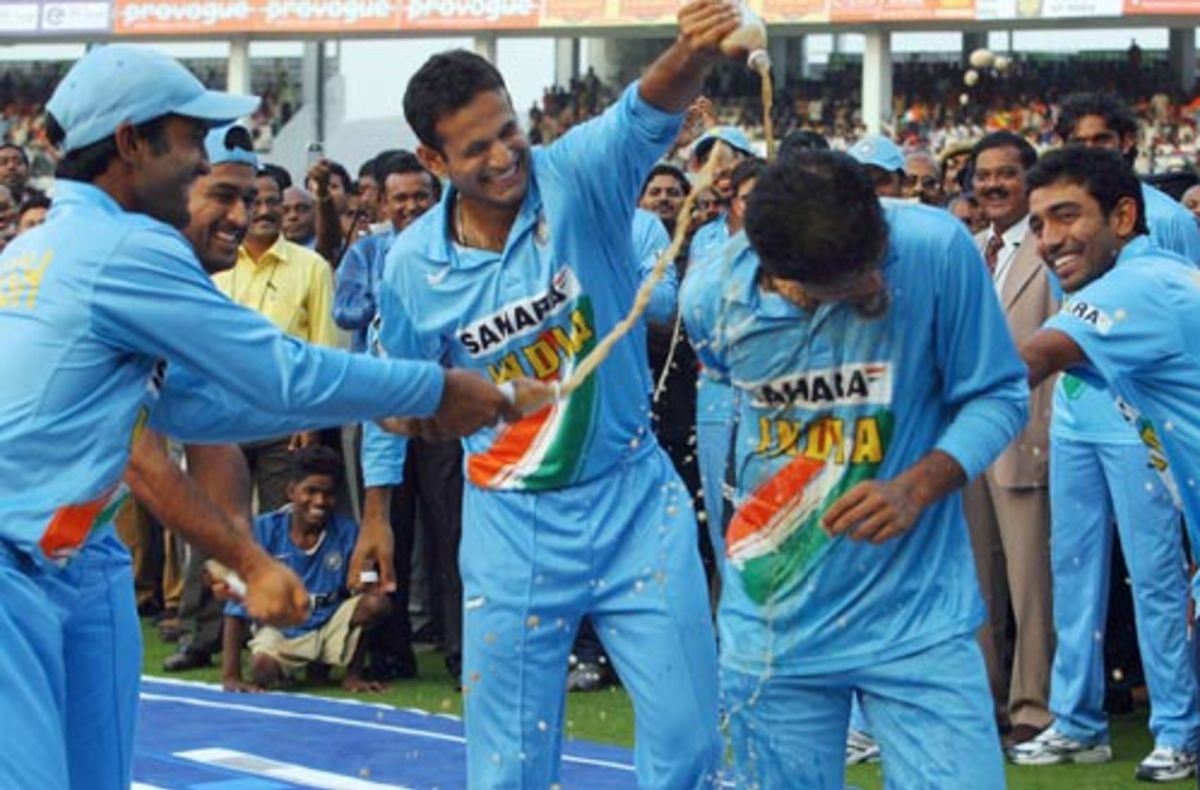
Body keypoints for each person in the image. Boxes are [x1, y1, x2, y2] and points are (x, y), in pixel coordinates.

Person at [0, 44, 518, 790]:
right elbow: (282, 375)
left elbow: (196, 405)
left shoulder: (47, 244)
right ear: (129, 144)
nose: (197, 162)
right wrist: (433, 391)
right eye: (187, 142)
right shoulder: (127, 246)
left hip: (76, 559)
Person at [362, 3, 745, 782]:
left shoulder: (575, 176)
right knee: (509, 765)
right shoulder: (409, 266)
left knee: (689, 742)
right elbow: (396, 391)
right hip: (511, 526)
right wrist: (377, 510)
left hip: (637, 504)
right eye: (477, 150)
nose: (506, 157)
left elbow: (648, 106)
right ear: (431, 163)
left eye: (509, 130)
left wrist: (690, 50)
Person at [681, 150, 1027, 789]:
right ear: (784, 274)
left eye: (877, 259)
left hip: (918, 621)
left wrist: (917, 486)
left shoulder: (934, 246)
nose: (876, 286)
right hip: (775, 631)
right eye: (849, 282)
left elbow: (1000, 394)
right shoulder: (712, 299)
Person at [1010, 94, 1200, 780]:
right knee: (1073, 571)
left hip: (1139, 424)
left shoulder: (1165, 233)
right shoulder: (1078, 240)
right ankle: (1077, 718)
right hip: (1080, 410)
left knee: (1156, 579)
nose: (1049, 237)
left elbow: (1034, 357)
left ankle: (1177, 726)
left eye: (1063, 218)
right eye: (1039, 224)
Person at [963, 130, 1057, 748]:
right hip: (966, 442)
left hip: (1029, 437)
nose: (993, 185)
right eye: (984, 176)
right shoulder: (968, 249)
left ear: (1030, 179)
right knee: (977, 586)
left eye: (1007, 174)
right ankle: (983, 705)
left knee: (1031, 585)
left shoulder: (1050, 251)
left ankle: (1034, 711)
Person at [212, 168, 341, 513]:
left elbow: (323, 350)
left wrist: (311, 420)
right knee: (216, 537)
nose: (265, 211)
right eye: (255, 202)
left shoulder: (312, 267)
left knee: (280, 529)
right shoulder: (214, 262)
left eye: (274, 202)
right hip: (222, 422)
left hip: (284, 423)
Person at [222, 447, 391, 693]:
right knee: (262, 671)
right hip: (281, 630)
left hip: (328, 624)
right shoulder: (264, 531)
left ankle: (351, 675)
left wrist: (365, 581)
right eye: (311, 491)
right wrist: (231, 675)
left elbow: (369, 588)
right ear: (291, 492)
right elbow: (236, 605)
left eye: (328, 494)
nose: (320, 501)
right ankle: (289, 669)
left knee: (376, 603)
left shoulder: (348, 533)